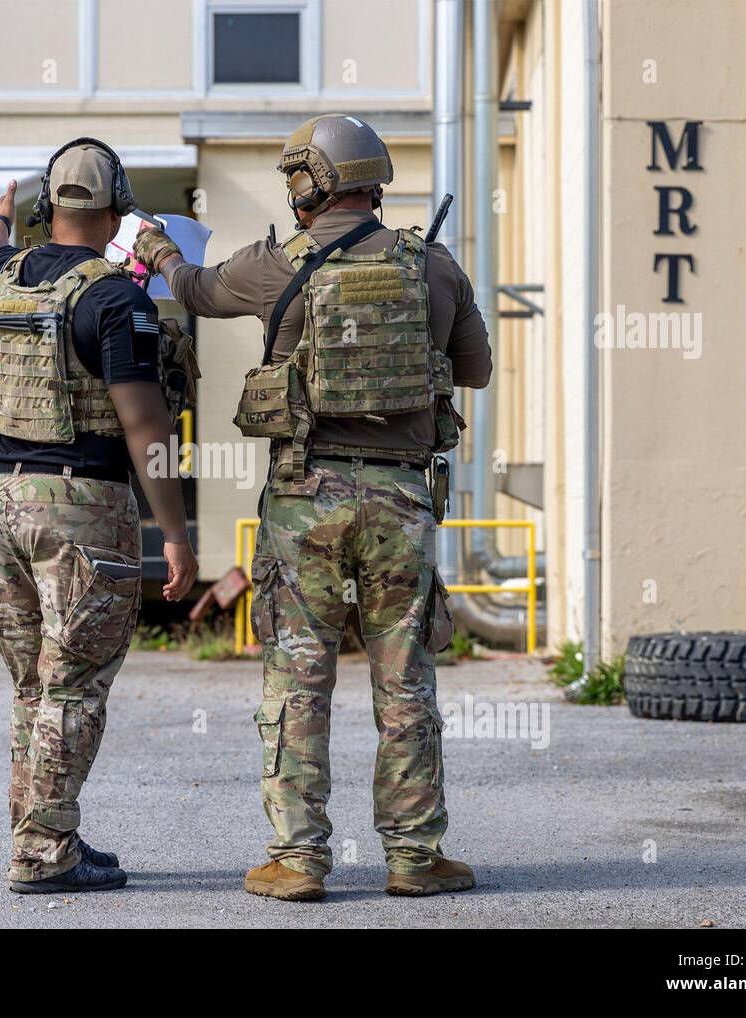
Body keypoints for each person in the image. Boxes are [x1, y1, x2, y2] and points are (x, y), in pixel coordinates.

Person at [134, 114, 492, 901]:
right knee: (406, 679)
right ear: (376, 178)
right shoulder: (433, 265)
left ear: (308, 182)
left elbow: (190, 288)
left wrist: (157, 245)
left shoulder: (275, 264)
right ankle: (414, 856)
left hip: (306, 496)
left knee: (298, 679)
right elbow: (476, 370)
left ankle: (298, 861)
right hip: (400, 497)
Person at [0, 140, 199, 894]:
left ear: (48, 205)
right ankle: (43, 853)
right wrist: (173, 533)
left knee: (33, 686)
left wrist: (0, 214)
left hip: (0, 503)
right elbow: (146, 426)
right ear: (119, 210)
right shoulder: (115, 299)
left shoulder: (1, 278)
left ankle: (44, 835)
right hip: (82, 507)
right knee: (72, 686)